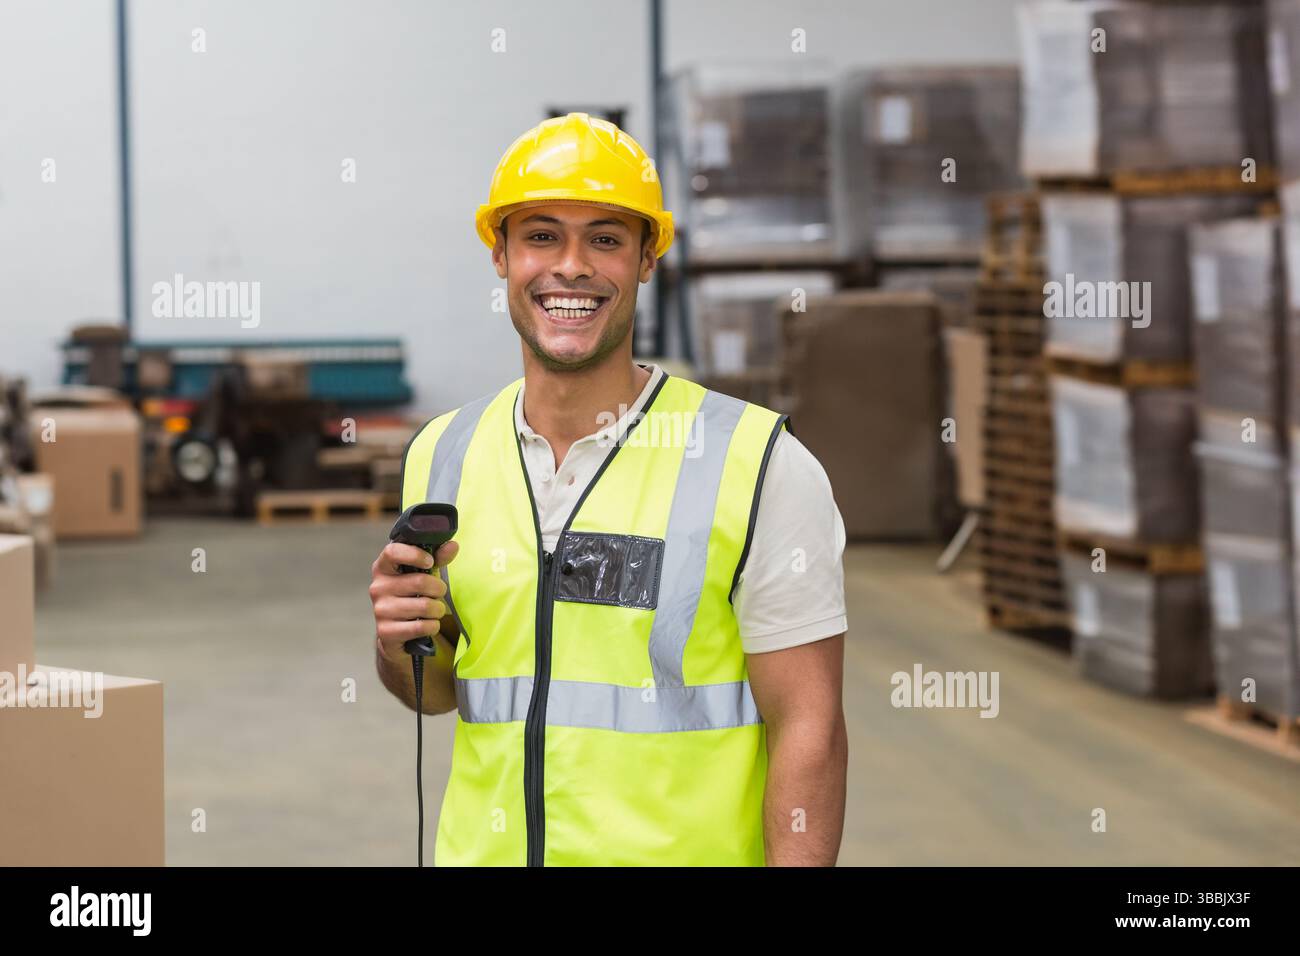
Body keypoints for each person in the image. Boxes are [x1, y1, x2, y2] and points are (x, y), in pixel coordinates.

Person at [369, 113, 847, 866]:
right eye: (541, 235)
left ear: (647, 258)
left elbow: (809, 728)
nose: (571, 267)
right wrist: (400, 644)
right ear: (500, 255)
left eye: (605, 238)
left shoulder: (757, 465)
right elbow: (436, 694)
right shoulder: (442, 452)